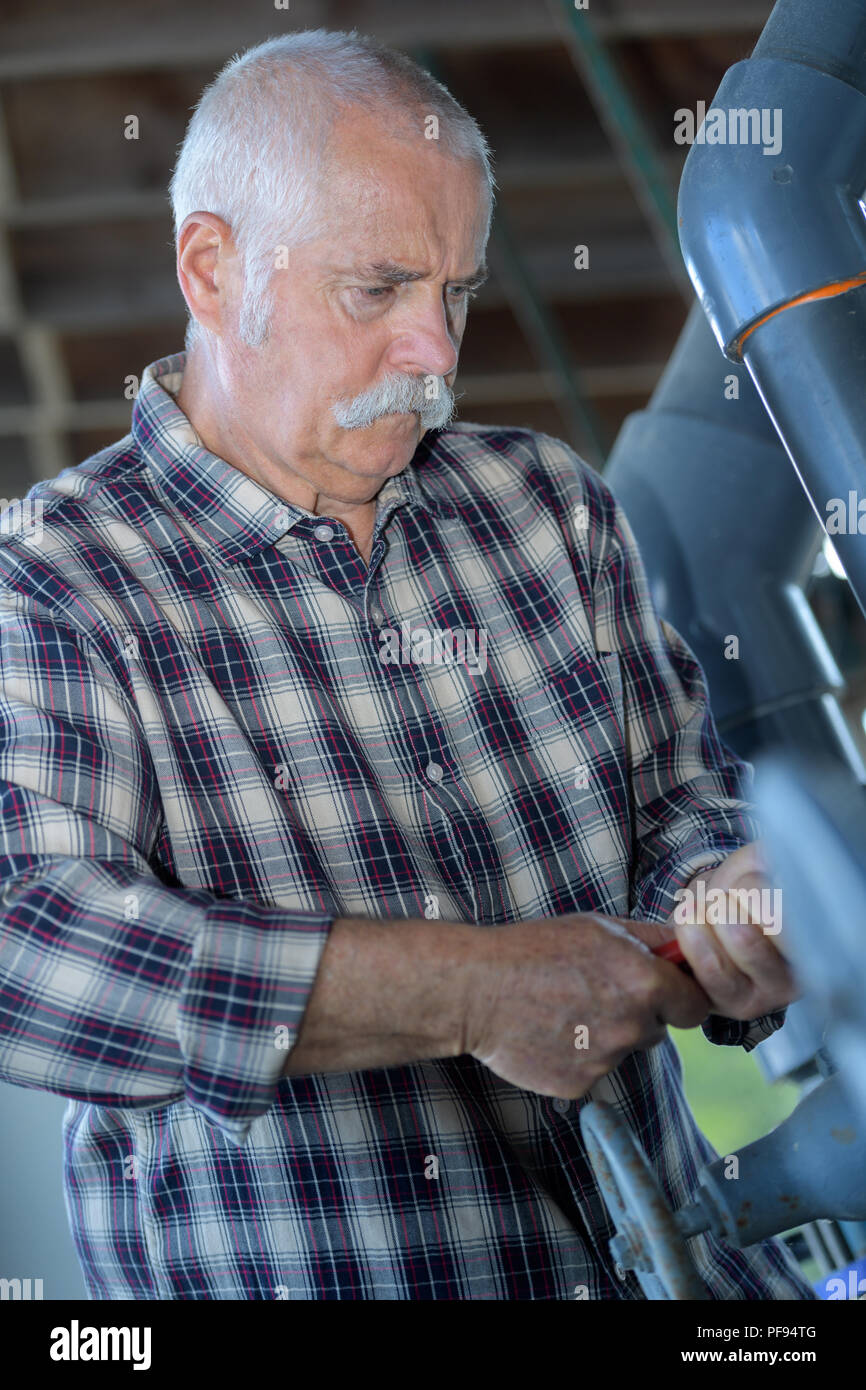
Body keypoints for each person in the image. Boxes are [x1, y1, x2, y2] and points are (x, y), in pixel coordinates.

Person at [0, 29, 814, 1300]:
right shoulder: (55, 574)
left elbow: (680, 807)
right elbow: (29, 951)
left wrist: (735, 893)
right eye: (376, 289)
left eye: (457, 291)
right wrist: (466, 994)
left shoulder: (545, 503)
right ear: (211, 269)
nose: (435, 351)